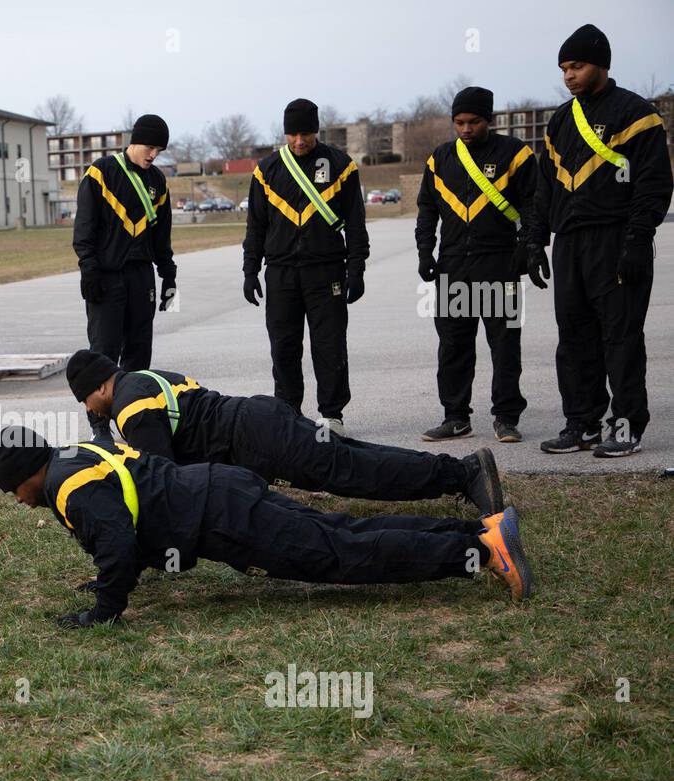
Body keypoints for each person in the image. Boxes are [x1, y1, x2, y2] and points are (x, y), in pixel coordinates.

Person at [0, 426, 532, 627]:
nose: (18, 500)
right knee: (342, 532)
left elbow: (116, 543)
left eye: (12, 489)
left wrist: (104, 610)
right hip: (221, 487)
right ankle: (478, 535)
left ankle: (484, 552)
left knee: (340, 555)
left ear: (24, 474)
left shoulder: (68, 487)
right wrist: (109, 577)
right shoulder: (75, 454)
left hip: (226, 519)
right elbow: (125, 524)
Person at [65, 349, 504, 513]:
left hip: (258, 438)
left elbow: (164, 477)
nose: (87, 408)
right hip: (260, 417)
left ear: (100, 387)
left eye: (84, 398)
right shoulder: (143, 378)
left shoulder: (131, 407)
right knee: (351, 457)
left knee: (353, 471)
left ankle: (463, 473)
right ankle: (458, 472)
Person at [525, 23, 673, 457]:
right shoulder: (559, 120)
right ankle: (581, 423)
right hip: (570, 242)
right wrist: (534, 242)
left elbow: (653, 184)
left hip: (616, 239)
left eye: (577, 66)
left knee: (620, 338)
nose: (568, 75)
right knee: (573, 336)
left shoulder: (637, 113)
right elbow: (544, 188)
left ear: (601, 65)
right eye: (563, 69)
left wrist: (637, 240)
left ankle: (626, 427)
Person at [416, 86, 536, 443]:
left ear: (490, 120)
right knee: (453, 345)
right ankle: (455, 417)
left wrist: (528, 247)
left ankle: (506, 418)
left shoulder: (515, 154)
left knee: (504, 345)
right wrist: (425, 252)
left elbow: (533, 205)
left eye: (474, 122)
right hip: (453, 265)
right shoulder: (440, 158)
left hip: (499, 263)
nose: (466, 129)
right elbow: (427, 210)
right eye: (459, 122)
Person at [243, 98, 368, 436]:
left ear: (317, 131)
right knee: (283, 346)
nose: (299, 141)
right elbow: (255, 226)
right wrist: (250, 270)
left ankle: (332, 414)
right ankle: (288, 412)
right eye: (293, 134)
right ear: (285, 133)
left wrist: (357, 269)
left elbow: (356, 224)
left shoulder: (341, 166)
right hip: (280, 272)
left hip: (326, 271)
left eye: (306, 134)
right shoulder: (267, 169)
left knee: (329, 345)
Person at [72, 114, 177, 434]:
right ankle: (100, 431)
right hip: (105, 277)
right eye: (149, 148)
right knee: (103, 353)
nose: (153, 155)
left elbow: (162, 237)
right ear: (135, 141)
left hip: (141, 277)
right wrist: (89, 269)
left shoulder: (158, 182)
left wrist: (169, 275)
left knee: (139, 352)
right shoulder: (101, 172)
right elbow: (85, 228)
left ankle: (133, 422)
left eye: (159, 150)